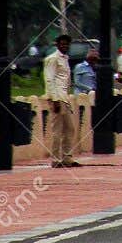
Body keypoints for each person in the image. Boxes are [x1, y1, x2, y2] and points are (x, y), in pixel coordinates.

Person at [43, 35, 80, 167]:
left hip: (64, 98)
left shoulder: (65, 59)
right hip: (57, 98)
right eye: (62, 44)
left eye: (67, 44)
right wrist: (54, 100)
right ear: (57, 45)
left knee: (69, 129)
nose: (65, 46)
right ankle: (55, 159)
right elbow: (49, 79)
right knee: (57, 131)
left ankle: (67, 158)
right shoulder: (52, 59)